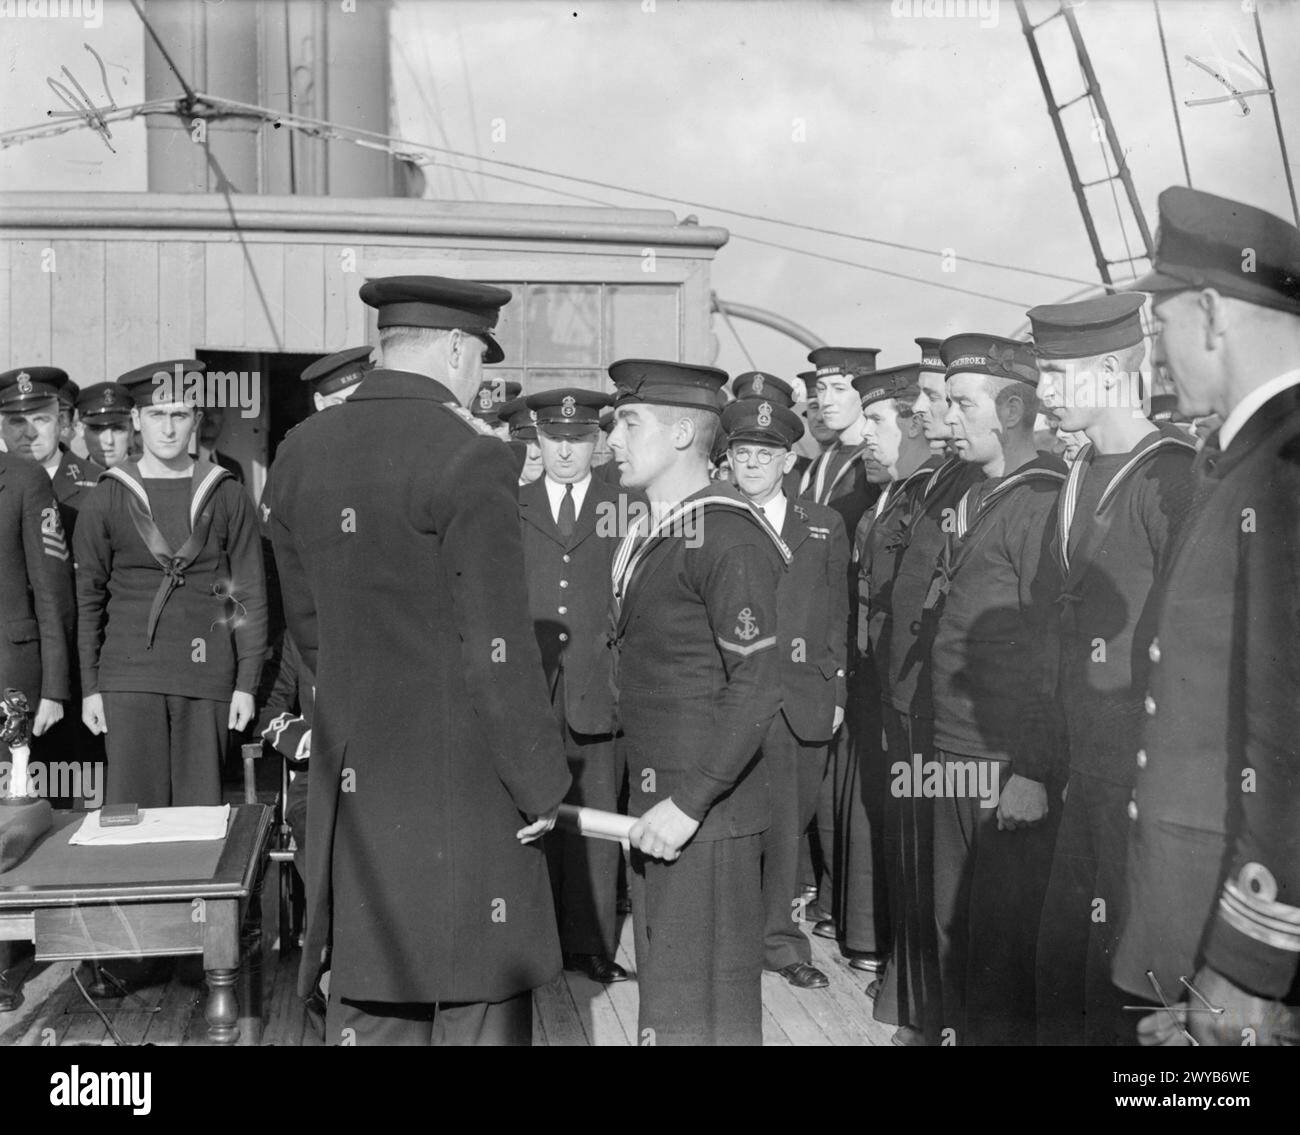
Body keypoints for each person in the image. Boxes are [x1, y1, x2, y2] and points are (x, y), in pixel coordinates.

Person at [269, 275, 571, 1046]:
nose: (478, 384)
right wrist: (540, 786)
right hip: (466, 803)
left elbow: (309, 629)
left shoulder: (300, 450)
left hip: (357, 795)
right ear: (456, 349)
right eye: (478, 364)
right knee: (477, 1005)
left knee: (370, 1007)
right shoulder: (471, 455)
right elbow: (497, 650)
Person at [1114, 187, 1300, 1046]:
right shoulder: (1245, 456)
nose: (1154, 357)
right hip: (1195, 910)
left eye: (1159, 327)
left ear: (1214, 315)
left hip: (1236, 945)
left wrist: (1251, 961)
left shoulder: (1284, 471)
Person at [1028, 294, 1196, 1045]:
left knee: (1131, 995)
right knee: (1069, 974)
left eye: (1056, 375)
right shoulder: (1078, 475)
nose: (1043, 392)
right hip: (1085, 773)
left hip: (1145, 785)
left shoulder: (1175, 480)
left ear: (1106, 372)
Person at [606, 357, 787, 1045]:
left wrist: (687, 804)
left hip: (702, 817)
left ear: (683, 432)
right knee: (671, 1013)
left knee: (704, 1020)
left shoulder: (726, 534)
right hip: (662, 807)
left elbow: (759, 683)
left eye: (629, 422)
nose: (613, 440)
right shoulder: (660, 527)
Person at [926, 333, 1067, 1046]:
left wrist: (1033, 770)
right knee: (959, 925)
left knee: (1000, 945)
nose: (950, 418)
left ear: (1013, 409)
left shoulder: (1040, 501)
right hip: (953, 743)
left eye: (963, 403)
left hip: (1002, 761)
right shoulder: (979, 491)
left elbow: (1050, 653)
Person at [74, 358, 266, 807]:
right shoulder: (108, 496)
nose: (167, 429)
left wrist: (246, 682)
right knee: (131, 820)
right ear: (137, 420)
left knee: (200, 823)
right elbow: (87, 600)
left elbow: (247, 594)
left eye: (179, 415)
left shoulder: (227, 493)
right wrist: (90, 688)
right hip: (128, 680)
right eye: (156, 415)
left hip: (207, 680)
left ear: (197, 420)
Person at [721, 374, 847, 990]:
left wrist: (839, 692)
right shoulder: (709, 516)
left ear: (788, 459)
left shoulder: (822, 524)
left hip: (802, 697)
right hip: (731, 699)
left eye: (765, 454)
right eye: (742, 454)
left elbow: (839, 613)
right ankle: (728, 936)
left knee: (788, 825)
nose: (752, 464)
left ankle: (781, 940)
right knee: (729, 817)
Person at [517, 386, 630, 985]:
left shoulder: (624, 506)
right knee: (530, 805)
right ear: (538, 439)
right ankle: (528, 936)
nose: (565, 452)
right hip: (529, 683)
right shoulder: (513, 503)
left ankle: (589, 942)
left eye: (578, 441)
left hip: (597, 684)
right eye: (555, 440)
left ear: (598, 444)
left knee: (595, 812)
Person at [0, 440, 75, 1012]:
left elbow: (51, 591)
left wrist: (53, 686)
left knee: (7, 821)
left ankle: (4, 963)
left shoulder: (23, 479)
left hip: (10, 677)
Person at [0, 367, 103, 540]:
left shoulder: (99, 483)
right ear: (1, 428)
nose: (29, 433)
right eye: (18, 422)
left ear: (61, 421)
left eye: (40, 419)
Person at [77, 382, 135, 470]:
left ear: (131, 430)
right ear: (81, 430)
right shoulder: (66, 481)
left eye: (118, 429)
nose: (109, 440)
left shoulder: (150, 480)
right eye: (98, 429)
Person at [196, 405, 245, 484]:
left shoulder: (234, 468)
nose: (209, 417)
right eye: (202, 411)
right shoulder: (180, 465)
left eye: (215, 411)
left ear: (223, 419)